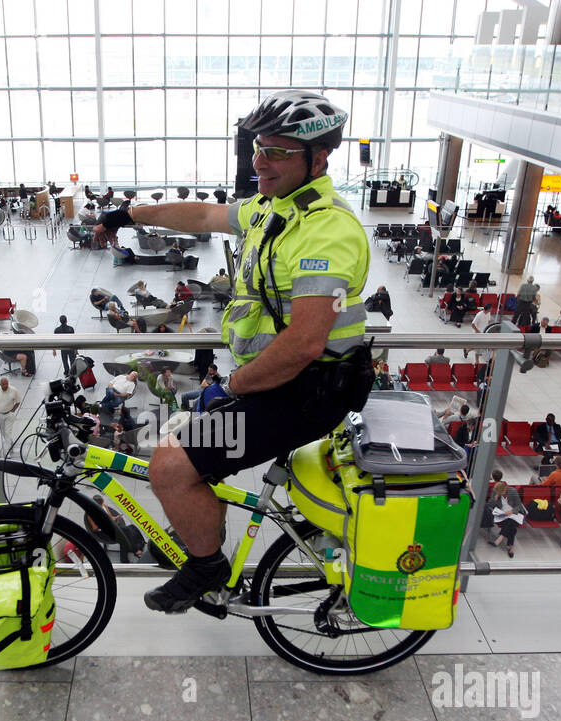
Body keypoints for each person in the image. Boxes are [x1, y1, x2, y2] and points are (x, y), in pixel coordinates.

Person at [93, 89, 372, 613]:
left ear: (319, 158)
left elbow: (304, 343)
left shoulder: (326, 231)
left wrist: (229, 387)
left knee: (170, 467)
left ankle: (206, 566)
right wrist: (128, 212)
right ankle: (200, 530)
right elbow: (202, 217)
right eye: (258, 148)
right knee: (179, 440)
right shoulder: (277, 208)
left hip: (305, 391)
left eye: (277, 152)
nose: (258, 162)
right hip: (279, 383)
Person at [486, 475, 526, 558]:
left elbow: (519, 506)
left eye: (502, 493)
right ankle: (510, 547)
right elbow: (489, 504)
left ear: (505, 489)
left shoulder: (512, 491)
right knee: (512, 527)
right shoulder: (496, 492)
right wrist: (495, 499)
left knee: (511, 521)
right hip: (503, 514)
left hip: (514, 514)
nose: (500, 494)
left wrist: (511, 511)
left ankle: (500, 539)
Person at [0, 376, 22, 446]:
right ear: (0, 384)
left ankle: (7, 452)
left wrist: (12, 410)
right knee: (3, 432)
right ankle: (9, 442)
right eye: (3, 384)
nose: (5, 386)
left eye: (6, 384)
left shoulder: (13, 390)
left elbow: (18, 401)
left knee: (7, 432)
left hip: (9, 414)